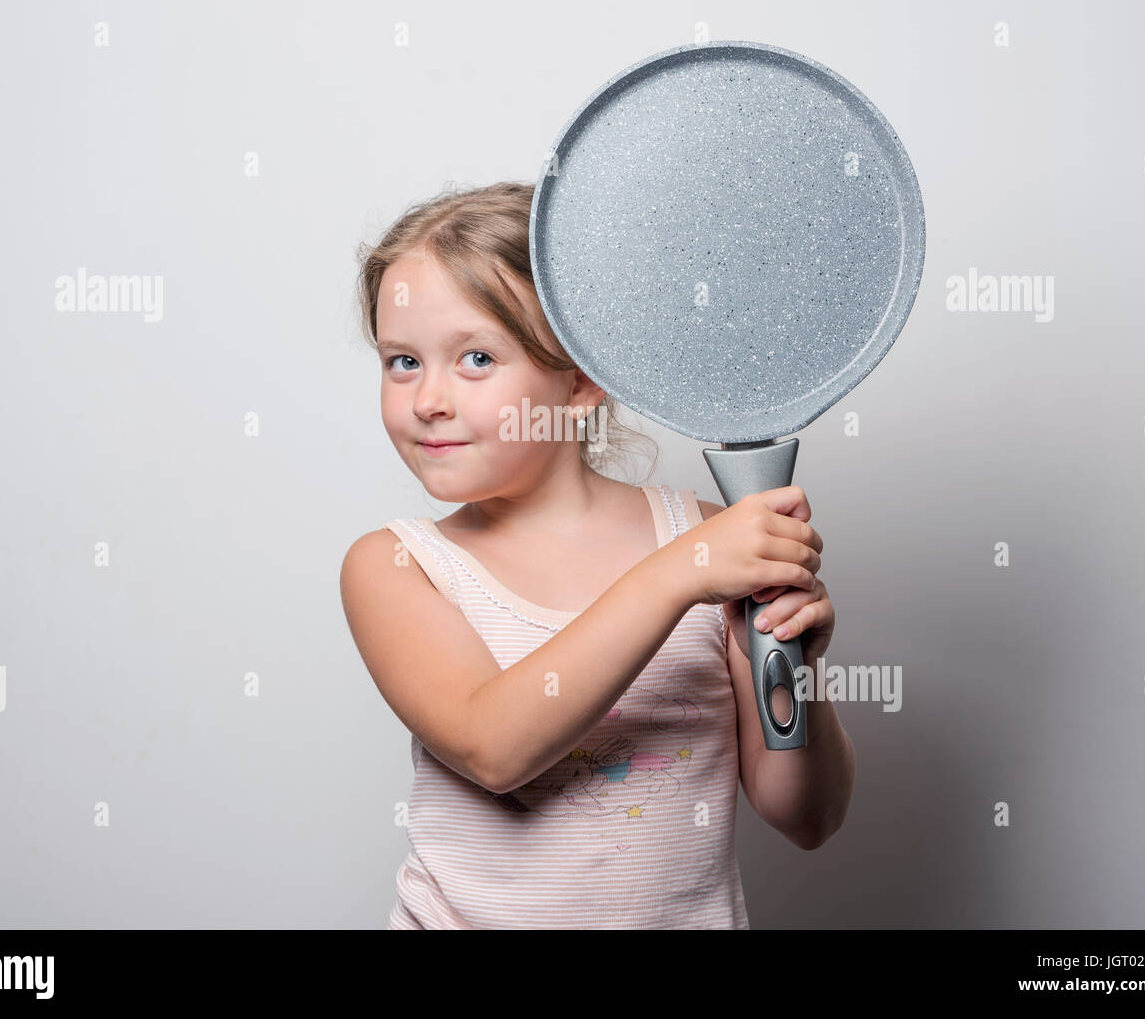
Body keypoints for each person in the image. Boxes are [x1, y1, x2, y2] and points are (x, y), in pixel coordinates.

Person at [340, 181, 855, 929]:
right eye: (402, 362)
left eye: (476, 358)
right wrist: (682, 573)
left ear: (578, 382)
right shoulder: (397, 567)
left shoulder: (709, 543)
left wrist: (794, 668)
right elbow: (494, 747)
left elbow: (808, 816)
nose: (428, 400)